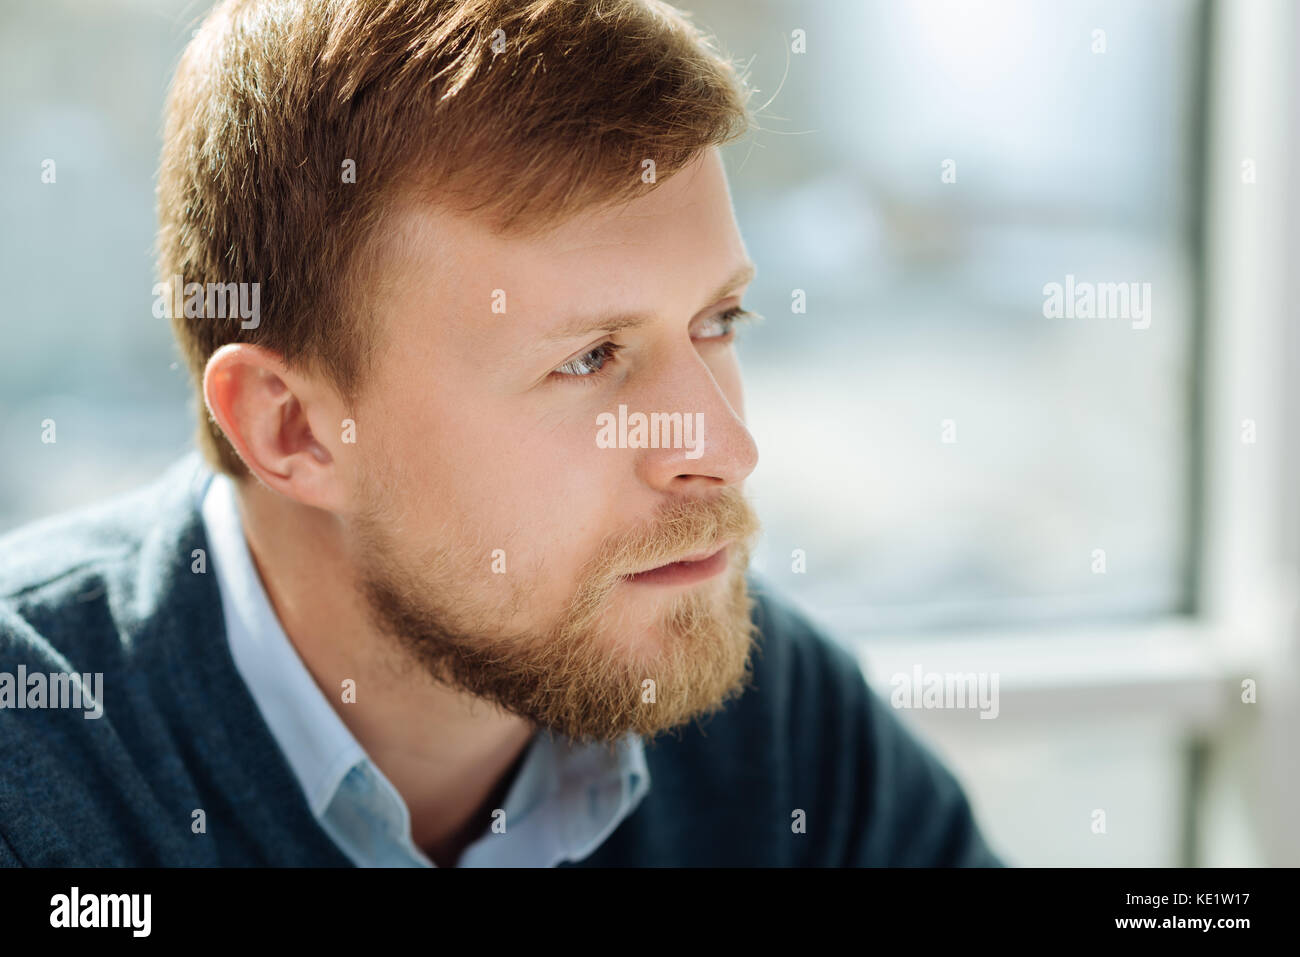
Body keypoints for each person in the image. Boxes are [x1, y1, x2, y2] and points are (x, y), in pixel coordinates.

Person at [0, 0, 1003, 867]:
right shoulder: (33, 750)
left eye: (717, 321)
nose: (725, 448)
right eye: (587, 359)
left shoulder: (776, 720)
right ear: (293, 429)